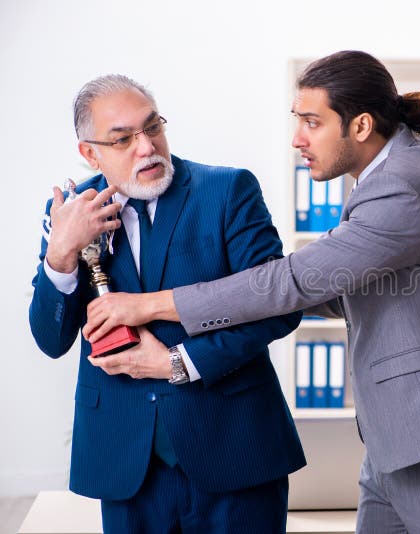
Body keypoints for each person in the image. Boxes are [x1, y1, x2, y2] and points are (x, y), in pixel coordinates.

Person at [84, 52, 420, 533]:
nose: (298, 139)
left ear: (360, 125)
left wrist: (149, 304)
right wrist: (254, 282)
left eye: (312, 122)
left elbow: (295, 282)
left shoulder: (403, 185)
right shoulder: (388, 174)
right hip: (403, 435)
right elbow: (330, 289)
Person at [29, 74, 305, 533]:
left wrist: (180, 362)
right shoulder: (68, 212)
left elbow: (276, 307)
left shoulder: (229, 191)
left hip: (233, 446)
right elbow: (50, 339)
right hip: (125, 462)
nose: (146, 147)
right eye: (122, 139)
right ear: (90, 153)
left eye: (152, 126)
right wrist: (61, 253)